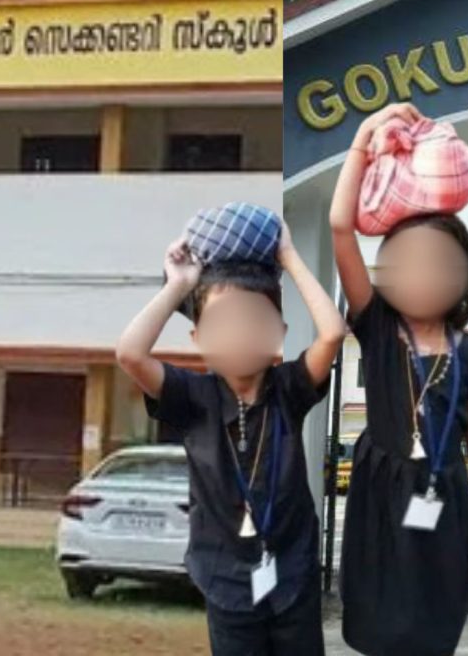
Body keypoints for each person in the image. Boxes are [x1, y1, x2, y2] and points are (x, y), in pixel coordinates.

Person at [117, 215, 344, 656]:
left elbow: (333, 333)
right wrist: (179, 285)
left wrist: (290, 257)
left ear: (278, 334)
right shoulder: (191, 397)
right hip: (225, 579)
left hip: (292, 573)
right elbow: (129, 352)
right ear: (200, 337)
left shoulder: (289, 389)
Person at [331, 103, 468, 656]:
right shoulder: (378, 328)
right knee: (382, 627)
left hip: (444, 494)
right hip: (380, 495)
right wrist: (362, 138)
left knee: (435, 623)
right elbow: (339, 226)